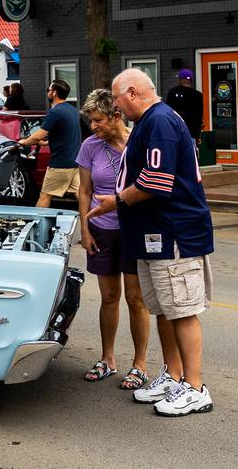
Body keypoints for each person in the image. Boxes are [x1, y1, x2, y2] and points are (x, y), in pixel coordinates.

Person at [88, 68, 215, 417]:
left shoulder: (159, 121)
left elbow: (156, 181)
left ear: (131, 92)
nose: (114, 105)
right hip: (152, 234)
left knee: (183, 311)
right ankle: (175, 376)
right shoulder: (148, 121)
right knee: (163, 308)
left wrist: (115, 201)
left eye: (116, 97)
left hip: (175, 233)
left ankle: (195, 387)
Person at [76, 89, 150, 389]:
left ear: (116, 116)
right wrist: (85, 227)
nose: (93, 126)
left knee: (136, 299)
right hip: (102, 228)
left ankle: (140, 364)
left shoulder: (139, 142)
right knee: (109, 297)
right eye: (91, 121)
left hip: (133, 229)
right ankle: (108, 358)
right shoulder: (90, 146)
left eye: (98, 120)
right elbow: (83, 191)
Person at [18, 79, 81, 207]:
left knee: (45, 195)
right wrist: (46, 143)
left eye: (49, 90)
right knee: (81, 194)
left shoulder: (55, 112)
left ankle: (37, 225)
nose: (47, 92)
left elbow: (37, 136)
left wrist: (24, 142)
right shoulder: (72, 110)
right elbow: (66, 134)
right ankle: (96, 220)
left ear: (54, 93)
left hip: (60, 164)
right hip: (75, 162)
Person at [164, 69, 203, 141]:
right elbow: (199, 116)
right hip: (191, 132)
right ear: (191, 80)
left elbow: (168, 112)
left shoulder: (172, 93)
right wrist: (198, 134)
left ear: (180, 79)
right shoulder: (198, 95)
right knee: (189, 152)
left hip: (175, 131)